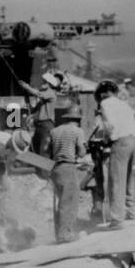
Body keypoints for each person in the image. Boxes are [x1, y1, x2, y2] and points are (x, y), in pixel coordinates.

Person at [94, 79, 135, 226]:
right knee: (129, 179)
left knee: (116, 181)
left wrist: (104, 140)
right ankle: (132, 212)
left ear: (103, 94)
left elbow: (109, 126)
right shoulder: (123, 104)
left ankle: (117, 219)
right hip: (134, 142)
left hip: (121, 143)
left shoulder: (105, 103)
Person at [48, 103, 86, 243]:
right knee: (69, 202)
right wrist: (83, 149)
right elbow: (81, 153)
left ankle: (60, 232)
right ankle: (65, 234)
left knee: (61, 201)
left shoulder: (54, 131)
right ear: (78, 119)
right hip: (68, 168)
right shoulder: (78, 131)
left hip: (56, 168)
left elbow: (49, 151)